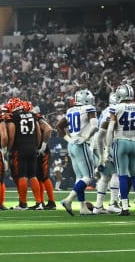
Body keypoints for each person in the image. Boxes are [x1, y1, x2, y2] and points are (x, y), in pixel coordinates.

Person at [104, 84, 135, 215]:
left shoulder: (116, 107)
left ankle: (124, 207)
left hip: (120, 141)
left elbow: (110, 130)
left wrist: (107, 148)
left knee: (122, 175)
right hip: (134, 143)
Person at [58, 88, 99, 216]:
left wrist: (69, 139)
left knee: (79, 178)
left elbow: (58, 126)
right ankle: (69, 200)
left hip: (72, 145)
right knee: (88, 176)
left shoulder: (70, 110)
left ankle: (83, 207)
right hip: (82, 145)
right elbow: (95, 125)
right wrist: (86, 137)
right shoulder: (88, 108)